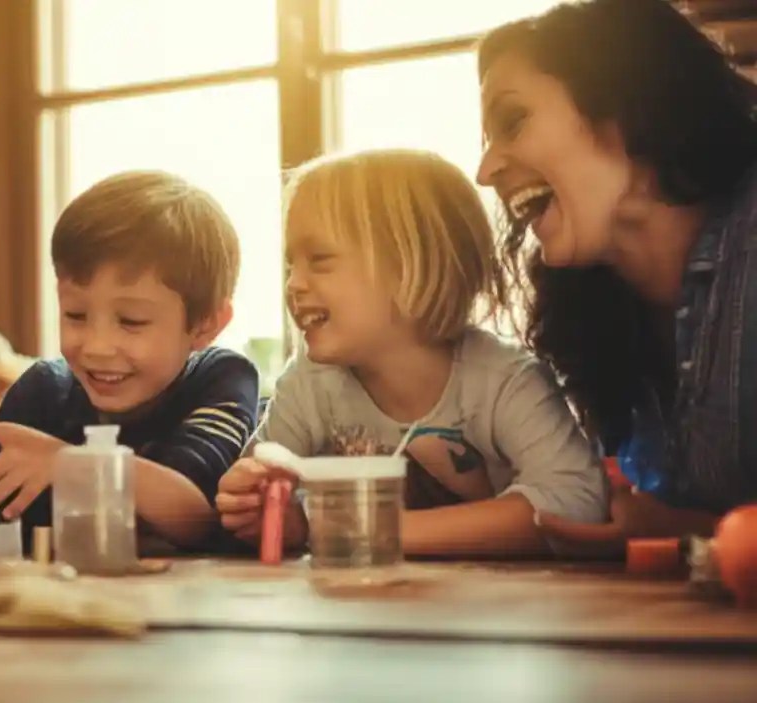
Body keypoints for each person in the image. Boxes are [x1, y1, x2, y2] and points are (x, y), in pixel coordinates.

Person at [216, 149, 607, 557]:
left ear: (410, 267)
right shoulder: (309, 382)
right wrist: (256, 502)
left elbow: (576, 500)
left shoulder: (505, 381)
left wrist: (377, 530)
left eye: (320, 260)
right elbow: (272, 489)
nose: (294, 284)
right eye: (290, 265)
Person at [476, 0, 757, 550]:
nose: (485, 171)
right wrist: (681, 532)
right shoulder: (594, 317)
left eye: (513, 121)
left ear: (624, 103)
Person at [0, 170, 260, 551]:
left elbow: (193, 516)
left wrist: (72, 465)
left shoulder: (220, 378)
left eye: (131, 321)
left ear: (206, 325)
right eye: (75, 315)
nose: (97, 346)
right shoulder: (44, 388)